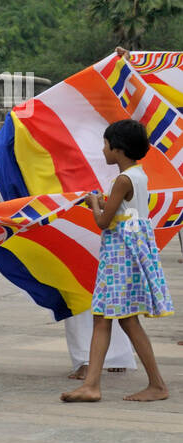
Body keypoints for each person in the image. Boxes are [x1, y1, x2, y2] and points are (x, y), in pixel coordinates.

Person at [61, 120, 172, 403]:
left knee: (119, 319)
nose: (103, 149)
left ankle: (154, 384)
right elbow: (122, 211)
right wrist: (102, 200)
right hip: (125, 255)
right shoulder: (138, 175)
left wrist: (93, 203)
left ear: (118, 149)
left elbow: (103, 221)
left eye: (106, 145)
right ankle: (93, 384)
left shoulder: (122, 181)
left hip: (119, 257)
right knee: (109, 317)